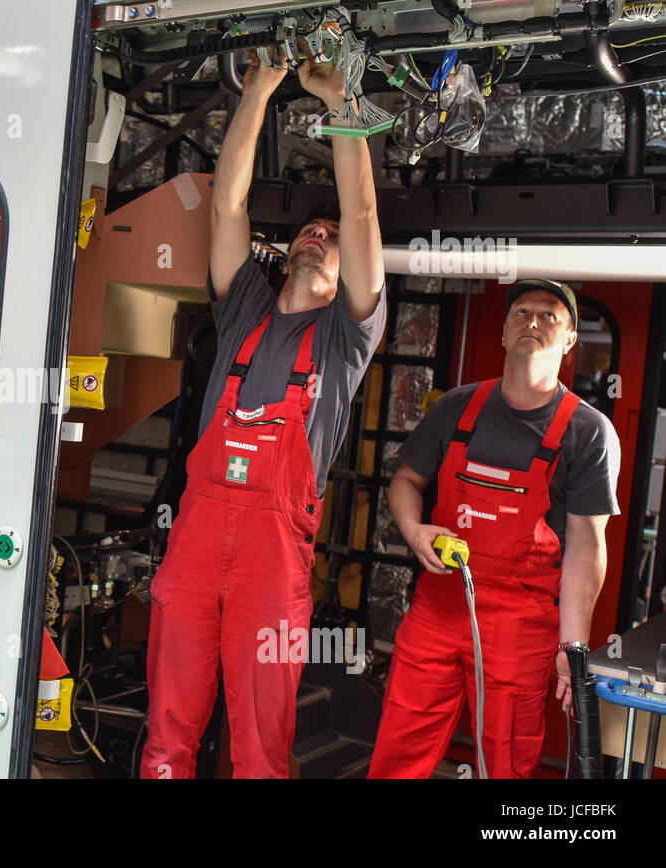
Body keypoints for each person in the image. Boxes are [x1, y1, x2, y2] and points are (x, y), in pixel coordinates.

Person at [141, 44, 386, 779]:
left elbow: (363, 210)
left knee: (260, 751)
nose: (321, 236)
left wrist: (341, 105)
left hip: (273, 562)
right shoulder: (245, 299)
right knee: (166, 739)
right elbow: (227, 204)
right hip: (195, 537)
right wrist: (260, 86)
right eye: (311, 231)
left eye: (333, 239)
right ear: (289, 251)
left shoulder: (346, 339)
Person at [368, 278, 620, 778]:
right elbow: (405, 482)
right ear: (504, 332)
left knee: (503, 764)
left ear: (570, 340)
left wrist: (573, 649)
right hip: (438, 609)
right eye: (521, 311)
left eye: (549, 315)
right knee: (399, 752)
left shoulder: (587, 432)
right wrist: (414, 530)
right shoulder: (456, 408)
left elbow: (587, 552)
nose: (532, 320)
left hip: (520, 624)